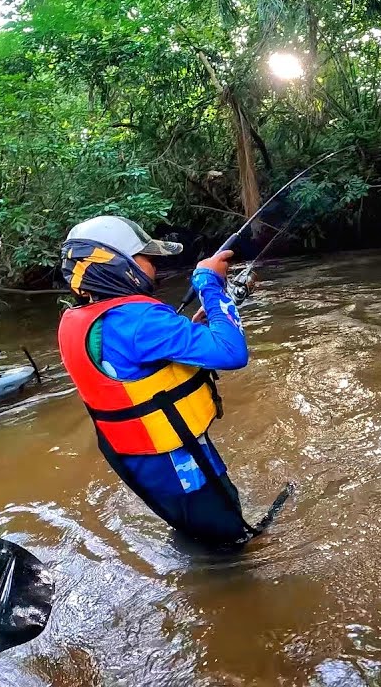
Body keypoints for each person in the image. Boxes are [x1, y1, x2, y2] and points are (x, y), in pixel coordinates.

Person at [57, 215, 259, 548]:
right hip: (180, 463)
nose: (155, 266)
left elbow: (137, 366)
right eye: (147, 259)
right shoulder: (142, 320)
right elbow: (232, 353)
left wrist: (194, 328)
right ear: (117, 265)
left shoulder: (82, 321)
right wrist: (209, 282)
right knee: (231, 544)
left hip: (138, 463)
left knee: (192, 530)